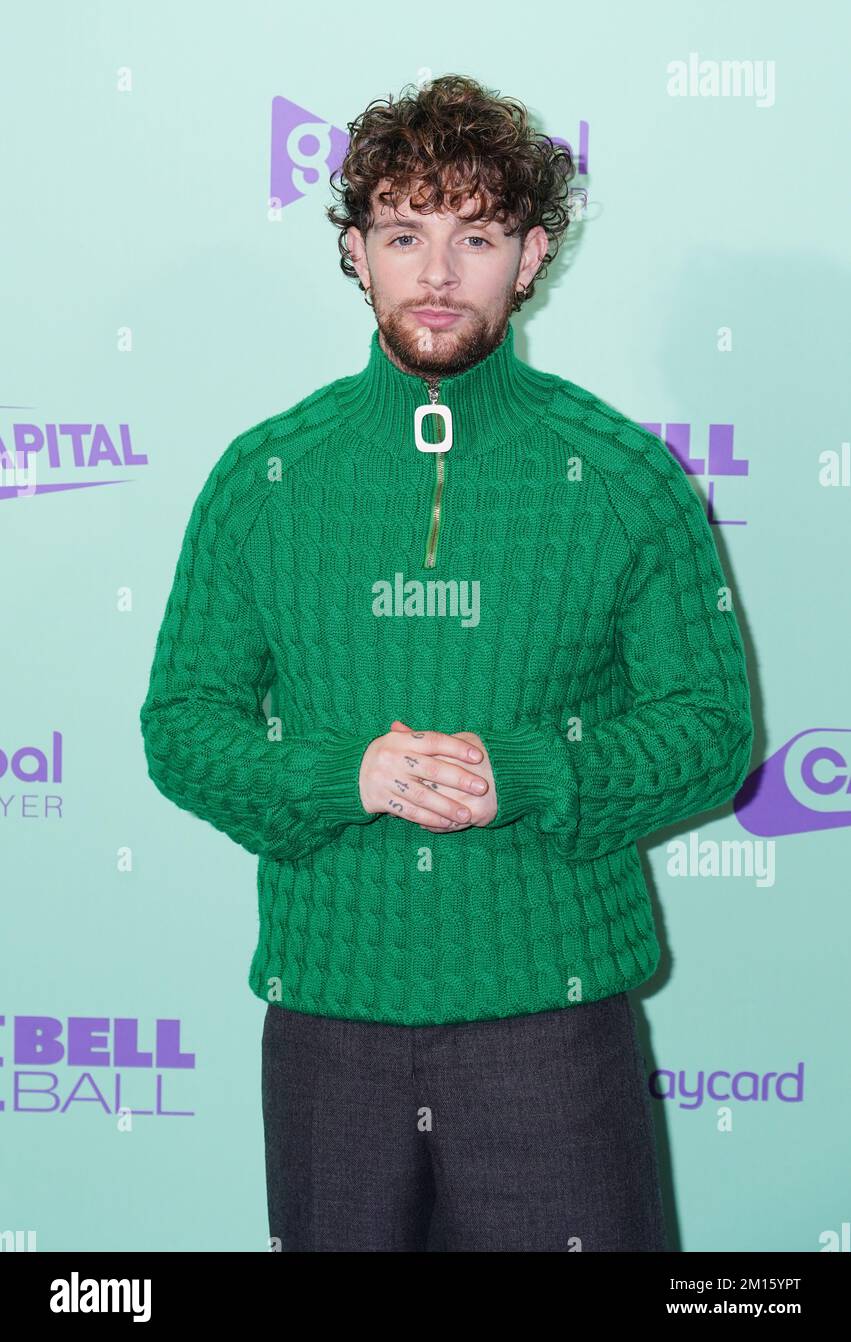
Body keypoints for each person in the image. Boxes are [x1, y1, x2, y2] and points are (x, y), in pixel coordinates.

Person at [139, 74, 753, 1252]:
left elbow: (709, 731)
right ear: (355, 252)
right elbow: (184, 722)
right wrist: (342, 776)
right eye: (402, 233)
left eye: (474, 236)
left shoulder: (621, 477)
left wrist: (528, 769)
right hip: (331, 1023)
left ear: (528, 259)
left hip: (551, 1024)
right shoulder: (266, 477)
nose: (435, 273)